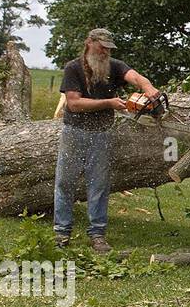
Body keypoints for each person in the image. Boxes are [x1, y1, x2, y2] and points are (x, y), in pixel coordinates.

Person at [54, 28, 160, 252]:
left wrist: (147, 87)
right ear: (89, 42)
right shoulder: (74, 68)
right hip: (74, 132)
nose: (105, 52)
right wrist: (110, 103)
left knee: (99, 185)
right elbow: (74, 104)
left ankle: (97, 235)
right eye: (101, 46)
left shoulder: (114, 66)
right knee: (65, 183)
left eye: (108, 48)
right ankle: (62, 233)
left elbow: (134, 76)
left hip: (102, 133)